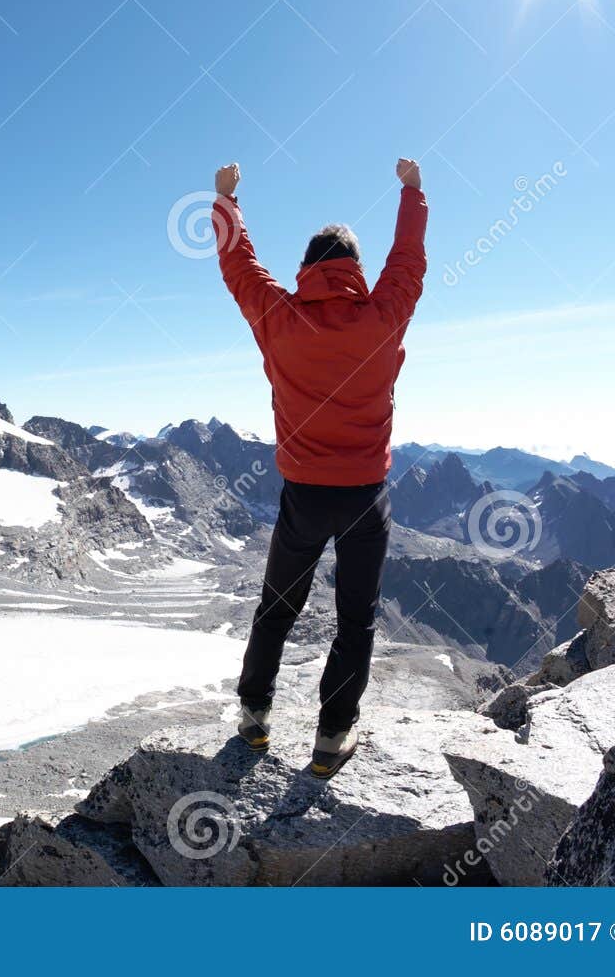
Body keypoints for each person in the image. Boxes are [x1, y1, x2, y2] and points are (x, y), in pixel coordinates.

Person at [210, 158, 428, 777]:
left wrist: (225, 200)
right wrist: (412, 194)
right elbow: (408, 263)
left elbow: (239, 267)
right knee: (355, 618)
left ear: (306, 267)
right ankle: (333, 736)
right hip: (366, 497)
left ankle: (255, 717)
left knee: (276, 607)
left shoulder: (279, 318)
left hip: (303, 496)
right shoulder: (382, 316)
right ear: (356, 270)